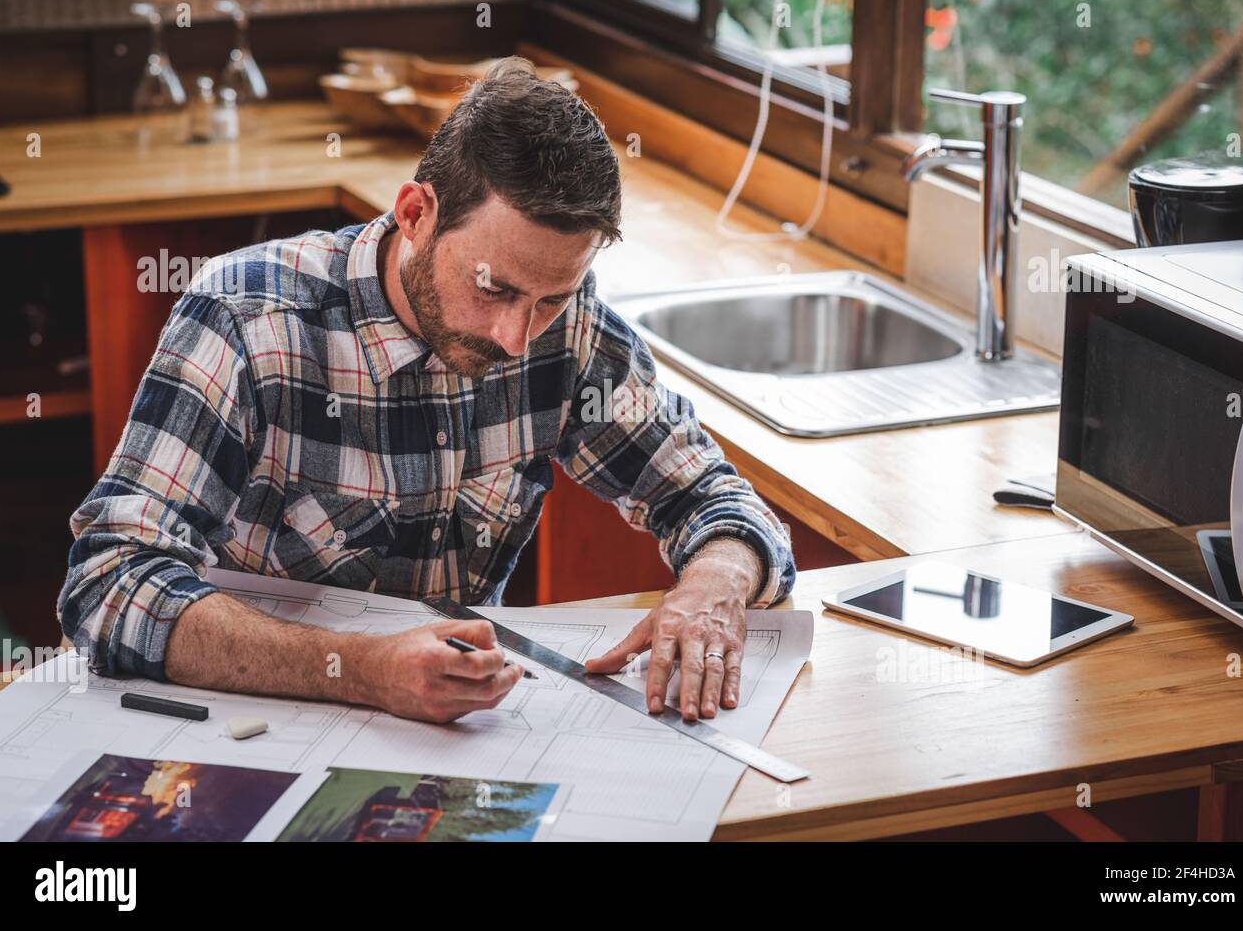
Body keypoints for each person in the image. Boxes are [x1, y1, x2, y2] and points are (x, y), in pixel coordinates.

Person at [59, 57, 795, 725]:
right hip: (253, 726)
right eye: (494, 288)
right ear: (415, 214)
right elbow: (108, 583)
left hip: (461, 736)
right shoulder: (248, 321)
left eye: (551, 298)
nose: (516, 337)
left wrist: (714, 585)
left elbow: (716, 500)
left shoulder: (563, 333)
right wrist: (361, 670)